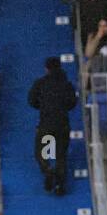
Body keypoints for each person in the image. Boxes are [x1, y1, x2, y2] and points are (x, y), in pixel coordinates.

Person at [28, 56, 76, 196]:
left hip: (46, 123)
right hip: (62, 124)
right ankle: (60, 185)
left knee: (42, 153)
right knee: (61, 155)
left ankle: (48, 170)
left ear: (46, 68)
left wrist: (43, 106)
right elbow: (72, 102)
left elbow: (31, 100)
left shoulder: (41, 83)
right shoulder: (66, 84)